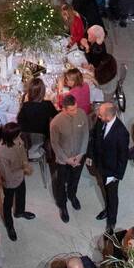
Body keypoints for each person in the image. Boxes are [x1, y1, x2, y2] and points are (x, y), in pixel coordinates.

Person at [88, 100, 130, 231]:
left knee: (112, 196)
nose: (98, 116)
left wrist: (116, 176)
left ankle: (111, 221)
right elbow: (94, 138)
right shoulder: (101, 121)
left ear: (108, 116)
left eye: (100, 114)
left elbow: (123, 158)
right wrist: (90, 156)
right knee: (104, 190)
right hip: (101, 166)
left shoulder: (121, 132)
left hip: (112, 172)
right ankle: (107, 209)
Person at [50, 95, 89, 223]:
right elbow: (54, 144)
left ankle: (72, 195)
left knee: (75, 179)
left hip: (79, 156)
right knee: (61, 183)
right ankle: (62, 205)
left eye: (76, 108)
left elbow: (85, 133)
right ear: (64, 109)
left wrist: (81, 154)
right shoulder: (56, 122)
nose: (75, 111)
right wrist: (66, 159)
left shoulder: (82, 114)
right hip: (63, 160)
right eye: (72, 110)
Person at [0, 123, 35, 241]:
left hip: (20, 175)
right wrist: (23, 170)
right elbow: (7, 175)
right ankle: (9, 225)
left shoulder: (17, 140)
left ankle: (19, 212)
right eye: (18, 134)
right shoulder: (1, 153)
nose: (21, 136)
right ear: (11, 136)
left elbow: (22, 152)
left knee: (22, 194)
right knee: (7, 203)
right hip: (10, 182)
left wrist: (25, 164)